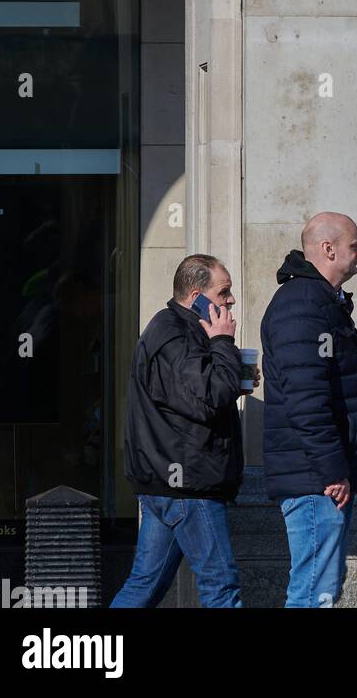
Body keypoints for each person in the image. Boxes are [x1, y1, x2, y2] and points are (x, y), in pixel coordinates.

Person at [111, 254, 258, 608]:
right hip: (188, 485)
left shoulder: (178, 330)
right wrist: (223, 344)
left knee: (145, 585)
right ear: (196, 297)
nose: (231, 301)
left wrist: (232, 378)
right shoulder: (176, 335)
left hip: (172, 481)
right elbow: (208, 397)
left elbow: (188, 398)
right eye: (223, 292)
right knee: (221, 586)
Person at [261, 211, 357, 608]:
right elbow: (307, 400)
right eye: (354, 245)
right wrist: (333, 471)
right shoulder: (303, 304)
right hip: (316, 480)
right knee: (316, 592)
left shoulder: (317, 302)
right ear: (329, 249)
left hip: (318, 476)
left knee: (321, 588)